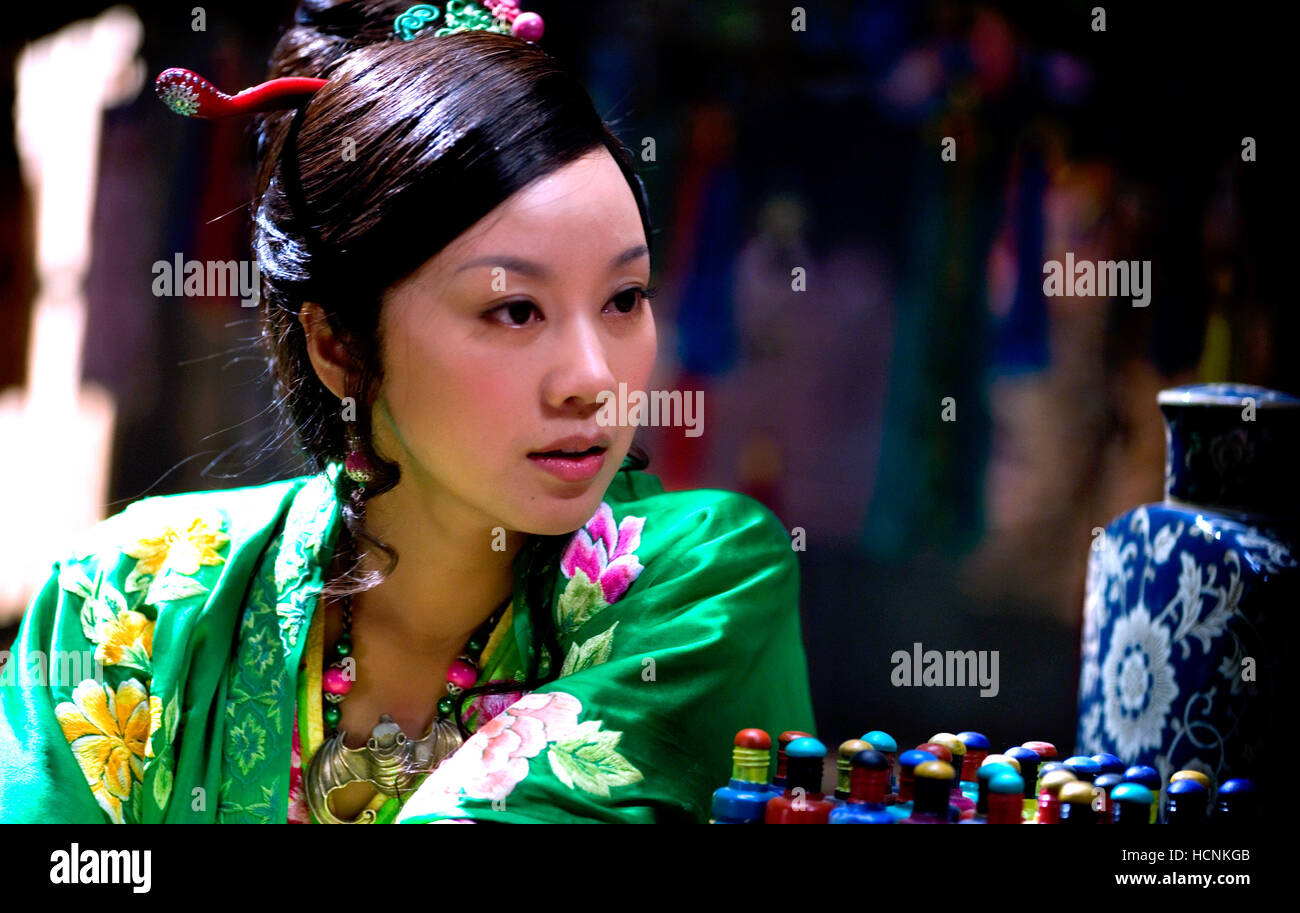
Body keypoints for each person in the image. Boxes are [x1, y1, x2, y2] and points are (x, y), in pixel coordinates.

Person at [0, 0, 816, 824]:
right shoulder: (124, 600)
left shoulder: (705, 586)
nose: (594, 377)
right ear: (340, 345)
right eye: (516, 310)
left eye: (624, 297)